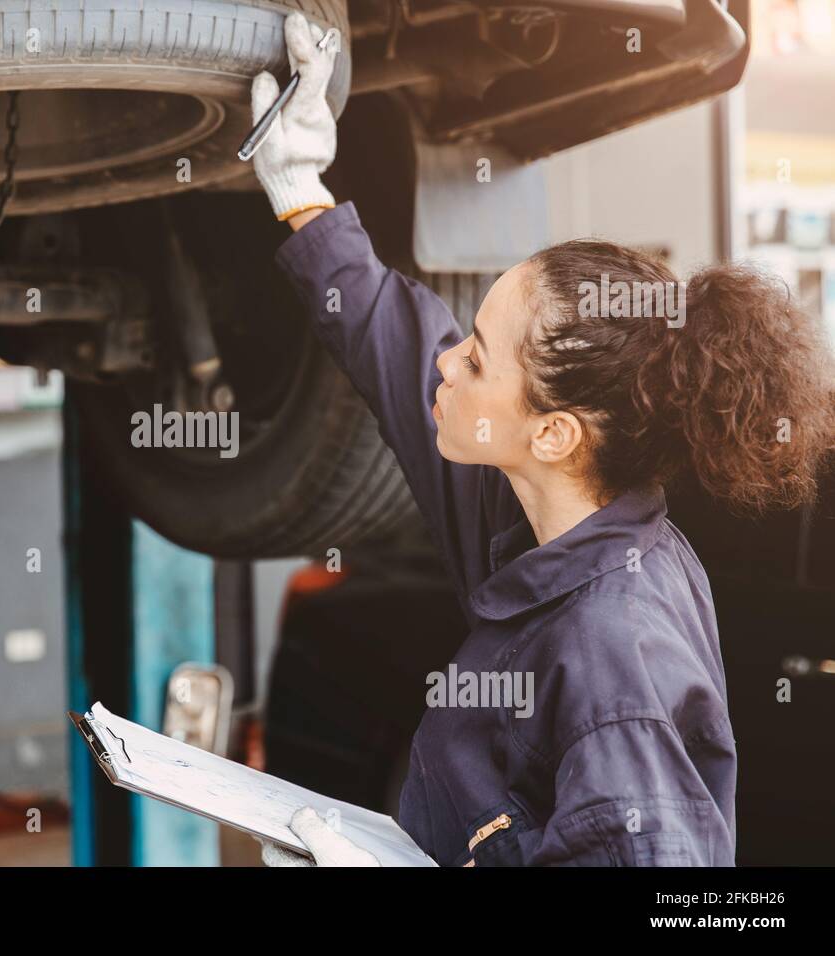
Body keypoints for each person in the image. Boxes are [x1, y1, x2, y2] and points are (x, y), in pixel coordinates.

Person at [251, 12, 835, 867]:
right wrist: (299, 187)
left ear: (556, 433)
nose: (448, 362)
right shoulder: (539, 521)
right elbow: (399, 351)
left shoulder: (614, 658)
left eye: (477, 358)